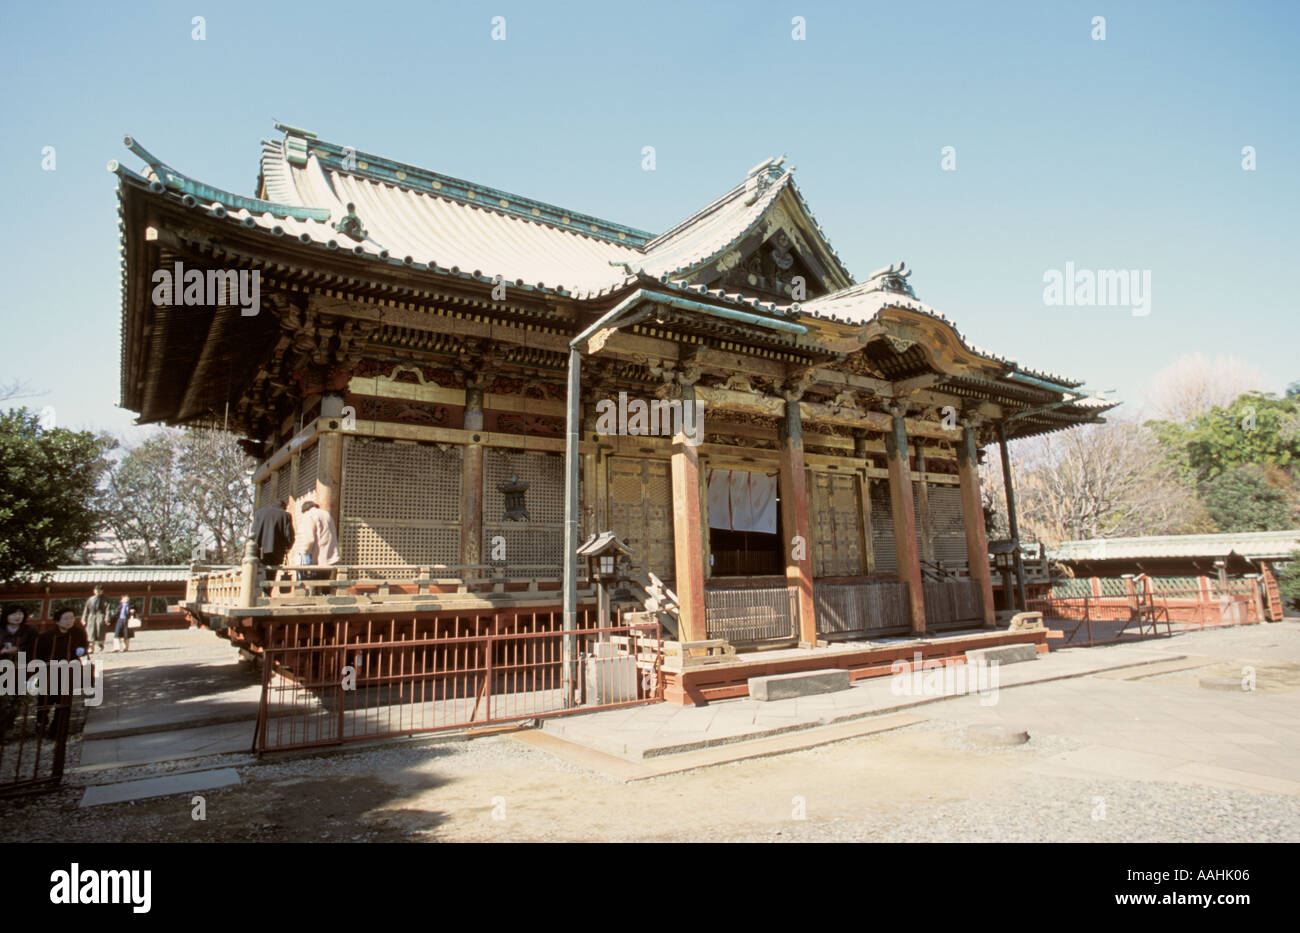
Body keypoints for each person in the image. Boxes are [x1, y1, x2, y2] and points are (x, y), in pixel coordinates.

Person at [32, 607, 89, 737]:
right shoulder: (47, 636)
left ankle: (58, 729)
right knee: (45, 701)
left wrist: (83, 650)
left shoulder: (79, 632)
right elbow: (39, 655)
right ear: (57, 621)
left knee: (63, 701)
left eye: (72, 618)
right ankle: (41, 724)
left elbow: (84, 645)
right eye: (66, 618)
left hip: (69, 670)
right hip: (49, 672)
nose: (69, 621)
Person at [295, 499, 340, 586]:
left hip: (318, 558)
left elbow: (309, 539)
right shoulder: (326, 514)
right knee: (325, 585)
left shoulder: (309, 515)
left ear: (304, 510)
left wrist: (304, 553)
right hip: (331, 556)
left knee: (314, 587)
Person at [250, 497, 295, 570]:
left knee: (257, 575)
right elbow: (289, 535)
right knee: (271, 577)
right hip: (276, 552)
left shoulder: (259, 513)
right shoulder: (285, 515)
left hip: (258, 550)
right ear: (284, 507)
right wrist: (288, 547)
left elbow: (253, 531)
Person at [81, 584, 111, 654]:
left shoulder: (106, 599)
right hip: (91, 616)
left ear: (102, 591)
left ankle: (100, 644)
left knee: (100, 631)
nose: (97, 592)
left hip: (100, 615)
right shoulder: (90, 599)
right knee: (90, 632)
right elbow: (86, 610)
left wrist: (107, 618)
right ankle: (91, 648)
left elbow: (108, 610)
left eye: (99, 591)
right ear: (94, 591)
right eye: (96, 591)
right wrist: (84, 619)